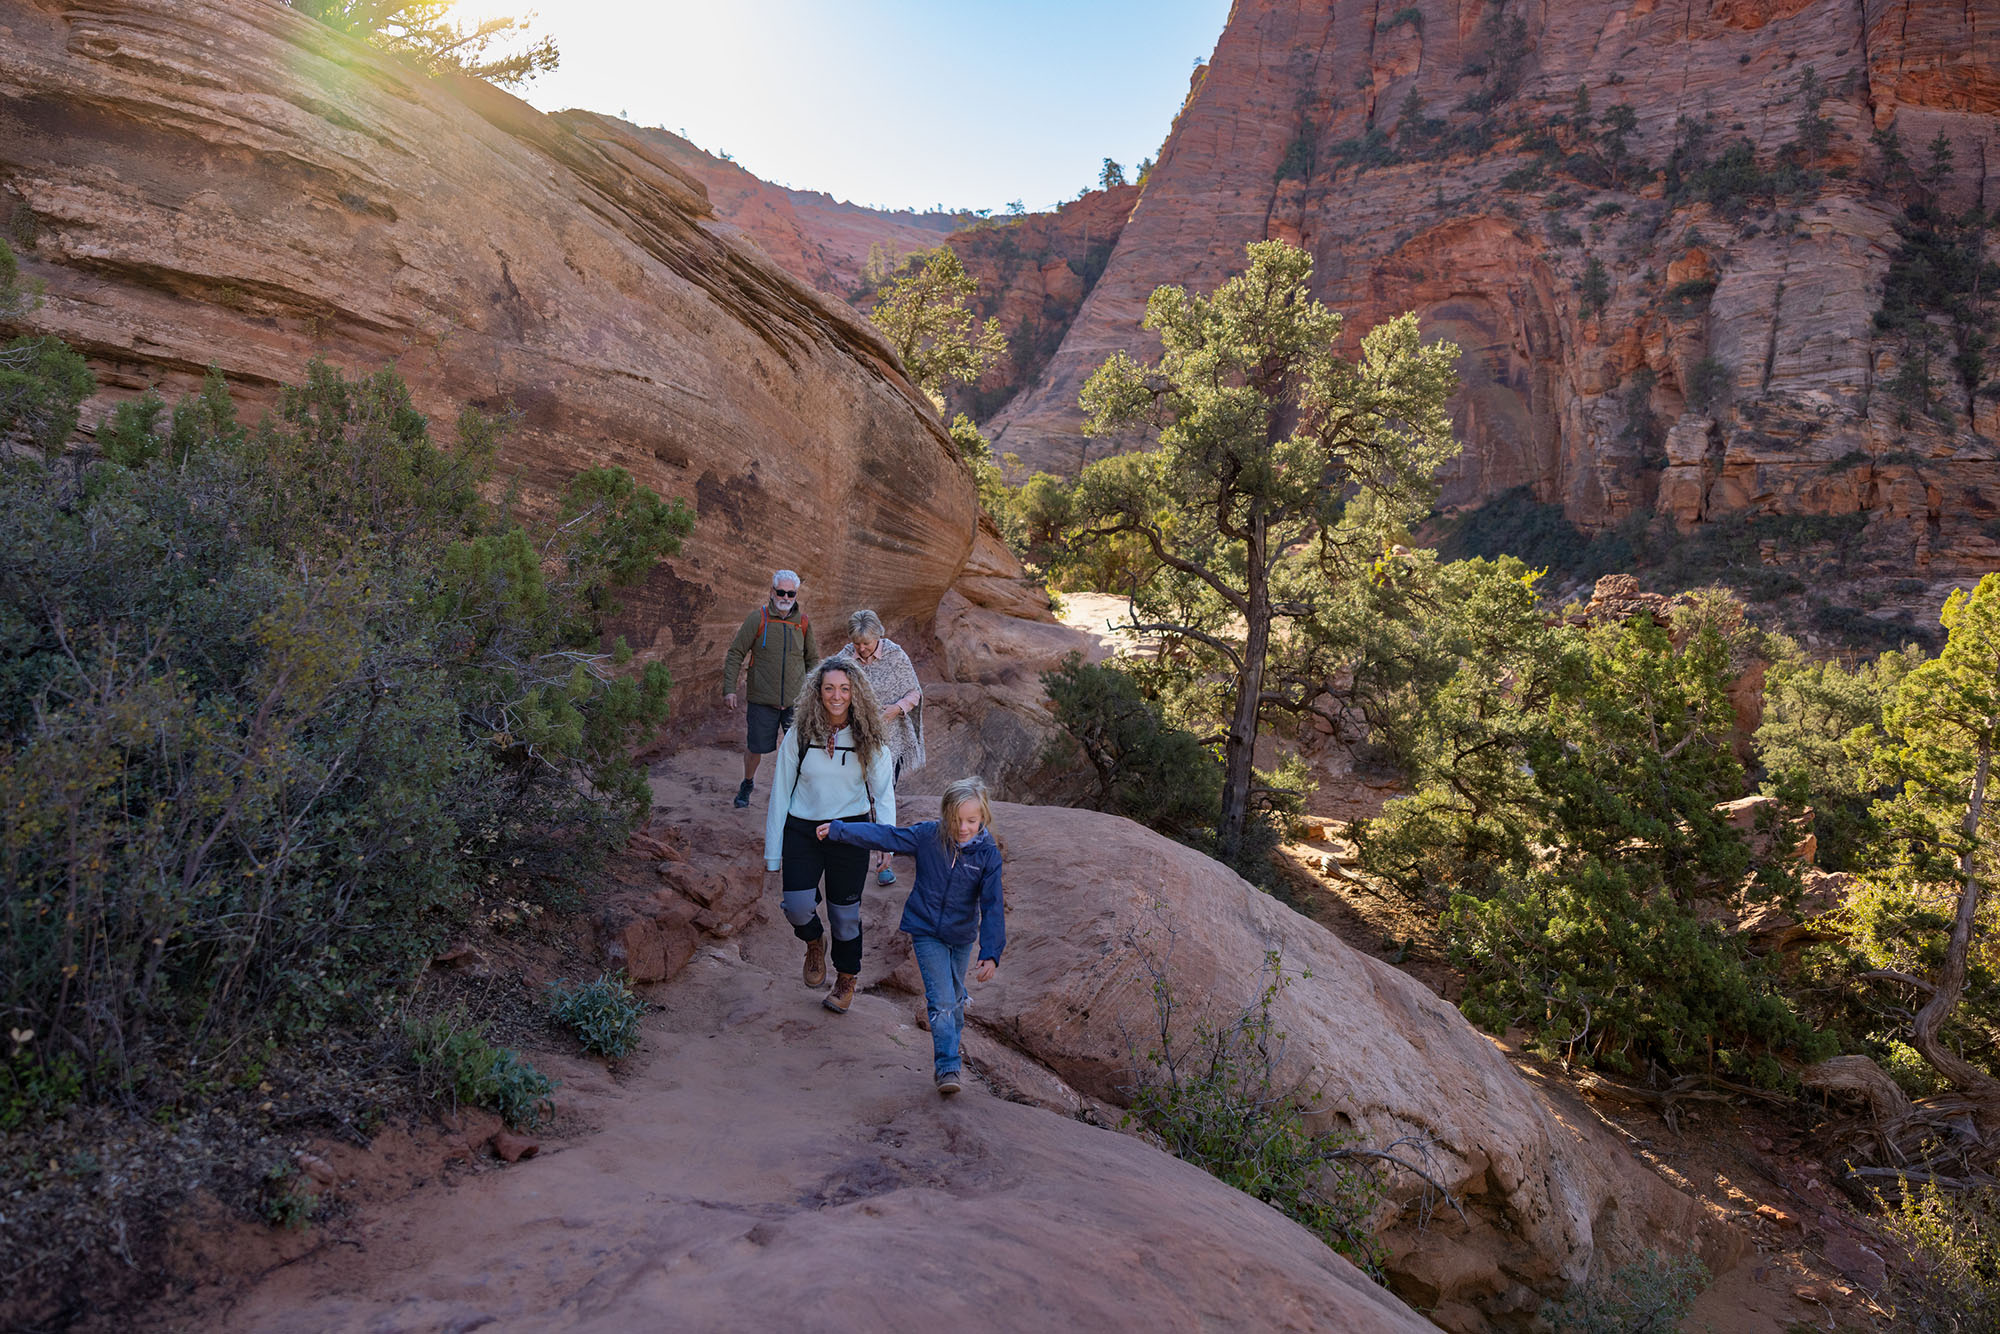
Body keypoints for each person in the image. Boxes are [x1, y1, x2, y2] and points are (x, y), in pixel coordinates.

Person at [818, 777, 1003, 1096]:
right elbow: (886, 835)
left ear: (983, 818)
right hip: (926, 929)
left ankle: (949, 1054)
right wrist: (839, 830)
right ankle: (948, 1066)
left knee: (956, 1000)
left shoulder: (987, 854)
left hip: (961, 936)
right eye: (956, 820)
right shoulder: (929, 836)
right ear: (945, 815)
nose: (963, 828)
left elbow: (992, 904)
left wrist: (991, 952)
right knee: (942, 999)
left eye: (971, 821)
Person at [765, 659, 897, 1013]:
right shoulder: (801, 733)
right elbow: (780, 790)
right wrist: (773, 853)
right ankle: (813, 941)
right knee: (796, 907)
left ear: (855, 693)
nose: (836, 696)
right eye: (829, 688)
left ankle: (846, 977)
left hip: (849, 832)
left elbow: (883, 792)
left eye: (844, 689)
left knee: (845, 915)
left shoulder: (869, 736)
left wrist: (886, 841)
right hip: (802, 828)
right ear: (817, 692)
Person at [829, 609, 924, 887]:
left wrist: (897, 709)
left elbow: (914, 691)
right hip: (854, 737)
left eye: (867, 643)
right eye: (857, 643)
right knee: (855, 796)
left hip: (889, 739)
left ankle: (886, 859)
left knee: (883, 797)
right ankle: (852, 857)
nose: (862, 648)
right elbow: (830, 689)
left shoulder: (895, 656)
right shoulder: (845, 657)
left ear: (879, 636)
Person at [721, 570, 817, 809]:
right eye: (781, 592)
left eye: (790, 593)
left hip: (796, 702)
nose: (785, 597)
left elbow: (812, 660)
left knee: (802, 749)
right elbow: (736, 653)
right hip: (762, 700)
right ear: (772, 592)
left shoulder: (802, 623)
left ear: (796, 594)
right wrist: (729, 689)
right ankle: (748, 782)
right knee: (756, 748)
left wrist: (816, 693)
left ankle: (799, 794)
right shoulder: (758, 618)